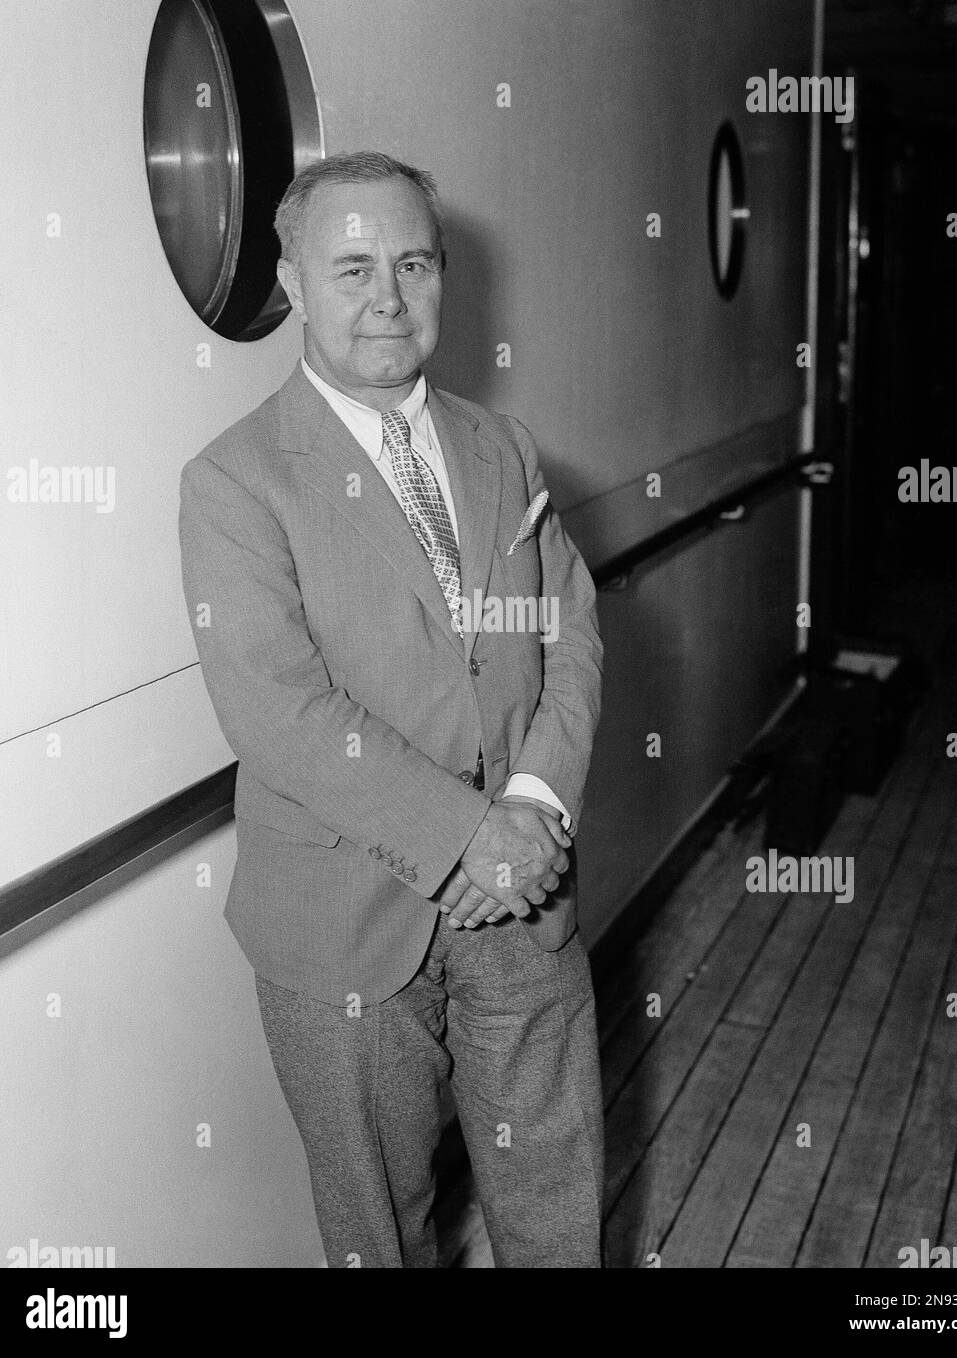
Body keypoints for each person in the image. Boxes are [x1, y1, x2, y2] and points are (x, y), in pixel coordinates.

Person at [178, 151, 604, 1268]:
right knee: (379, 1229)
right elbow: (278, 711)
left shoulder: (502, 447)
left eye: (412, 263)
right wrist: (470, 835)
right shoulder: (233, 481)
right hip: (342, 927)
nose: (386, 295)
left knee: (554, 1202)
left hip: (524, 893)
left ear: (442, 278)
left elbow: (570, 633)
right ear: (294, 282)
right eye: (352, 265)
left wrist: (528, 805)